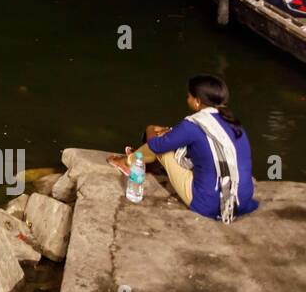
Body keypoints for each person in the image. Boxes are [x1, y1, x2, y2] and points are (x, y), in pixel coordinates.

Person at [107, 75, 258, 223]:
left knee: (162, 148)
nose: (187, 99)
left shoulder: (192, 124)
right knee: (173, 141)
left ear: (197, 101)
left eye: (189, 96)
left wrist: (150, 129)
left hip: (208, 204)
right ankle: (143, 161)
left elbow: (156, 146)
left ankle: (129, 162)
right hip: (243, 200)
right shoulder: (234, 123)